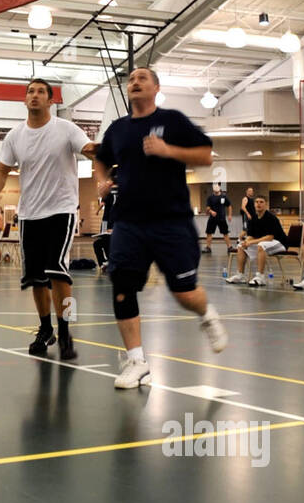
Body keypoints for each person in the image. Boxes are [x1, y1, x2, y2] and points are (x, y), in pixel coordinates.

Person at [93, 66, 228, 389]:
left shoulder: (173, 120)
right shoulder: (118, 129)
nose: (135, 82)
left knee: (184, 293)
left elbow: (206, 155)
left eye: (142, 78)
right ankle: (137, 362)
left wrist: (168, 150)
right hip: (129, 222)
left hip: (171, 222)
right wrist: (102, 181)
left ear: (156, 88)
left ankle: (207, 314)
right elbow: (100, 157)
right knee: (122, 285)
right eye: (131, 79)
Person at [0, 78, 95, 362]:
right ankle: (46, 329)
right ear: (25, 100)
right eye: (30, 92)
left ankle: (66, 331)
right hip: (29, 214)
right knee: (36, 277)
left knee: (58, 271)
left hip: (61, 210)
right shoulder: (15, 135)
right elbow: (2, 169)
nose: (35, 95)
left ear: (50, 100)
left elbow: (88, 148)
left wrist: (107, 148)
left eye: (41, 92)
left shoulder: (66, 129)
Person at [225, 194, 287, 287]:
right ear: (254, 204)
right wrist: (246, 242)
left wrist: (251, 242)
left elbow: (269, 237)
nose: (258, 204)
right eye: (257, 202)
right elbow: (251, 235)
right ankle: (240, 275)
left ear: (266, 204)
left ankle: (260, 277)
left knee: (261, 245)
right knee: (241, 246)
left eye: (261, 202)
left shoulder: (271, 217)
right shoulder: (253, 218)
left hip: (279, 243)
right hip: (263, 242)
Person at [203, 182, 232, 254]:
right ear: (213, 188)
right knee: (209, 233)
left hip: (222, 218)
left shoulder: (224, 197)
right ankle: (208, 247)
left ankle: (229, 247)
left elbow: (229, 206)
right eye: (215, 186)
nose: (216, 187)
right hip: (212, 218)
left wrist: (230, 215)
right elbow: (207, 208)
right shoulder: (210, 198)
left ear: (220, 187)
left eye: (217, 186)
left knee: (225, 233)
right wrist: (211, 211)